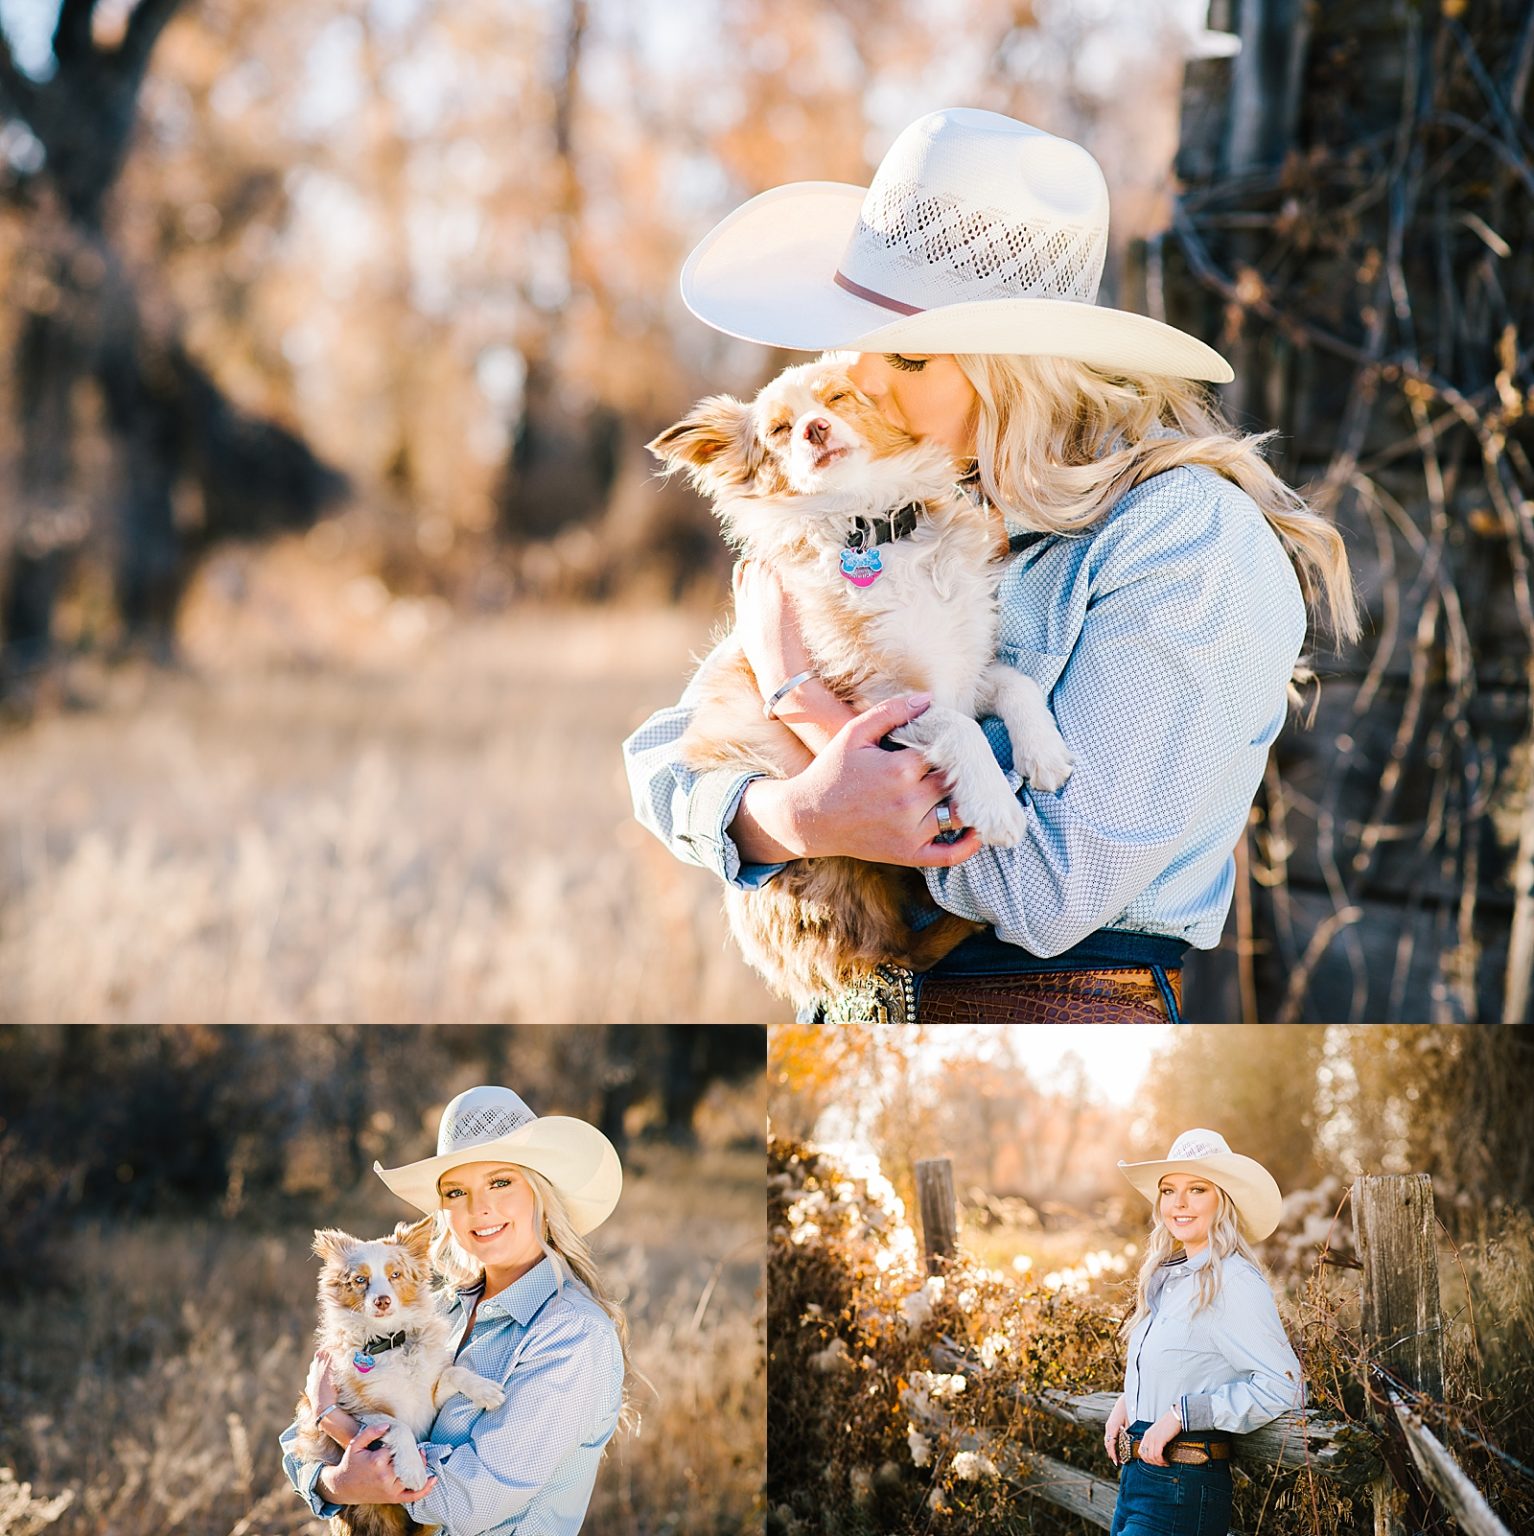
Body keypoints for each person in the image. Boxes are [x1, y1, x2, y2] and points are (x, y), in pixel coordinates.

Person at [622, 107, 1359, 1022]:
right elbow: (662, 765)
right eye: (856, 347)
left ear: (1015, 369)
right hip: (844, 1018)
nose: (866, 388)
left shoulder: (1182, 539)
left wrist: (798, 695)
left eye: (912, 355)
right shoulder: (890, 516)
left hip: (1043, 1010)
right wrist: (795, 815)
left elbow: (1050, 889)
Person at [279, 1085, 630, 1535]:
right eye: (456, 1192)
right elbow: (297, 1446)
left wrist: (337, 1426)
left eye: (500, 1182)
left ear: (540, 1194)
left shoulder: (572, 1334)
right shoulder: (436, 1306)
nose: (479, 1208)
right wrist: (332, 1481)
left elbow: (470, 1498)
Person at [1105, 1128, 1303, 1536]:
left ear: (1222, 1200)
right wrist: (1130, 1401)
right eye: (1168, 1190)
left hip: (1184, 1483)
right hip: (1137, 1478)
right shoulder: (1167, 1278)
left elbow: (1285, 1386)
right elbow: (1188, 1362)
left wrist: (1181, 1414)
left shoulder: (1233, 1280)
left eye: (1196, 1189)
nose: (1178, 1202)